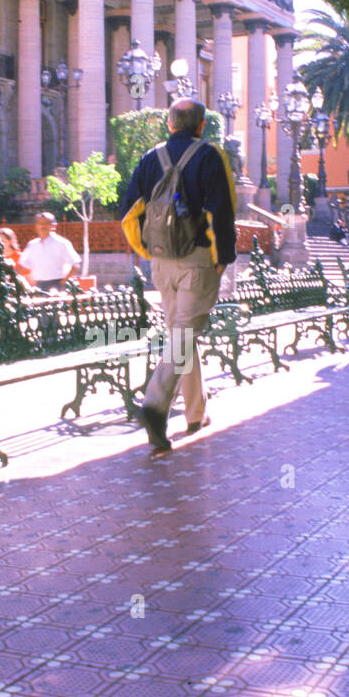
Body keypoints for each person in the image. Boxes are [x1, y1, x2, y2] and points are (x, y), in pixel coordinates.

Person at [122, 99, 236, 454]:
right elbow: (222, 210)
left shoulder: (149, 157)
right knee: (184, 335)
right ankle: (155, 406)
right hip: (197, 259)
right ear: (201, 125)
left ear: (170, 125)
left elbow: (128, 211)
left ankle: (195, 412)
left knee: (181, 336)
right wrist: (222, 258)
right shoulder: (210, 155)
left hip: (161, 262)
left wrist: (147, 252)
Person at [19, 212, 80, 289]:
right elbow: (22, 265)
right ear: (36, 226)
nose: (42, 226)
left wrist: (63, 282)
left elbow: (75, 265)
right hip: (38, 286)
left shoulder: (62, 243)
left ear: (53, 225)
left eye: (46, 223)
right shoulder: (32, 244)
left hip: (57, 284)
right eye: (40, 223)